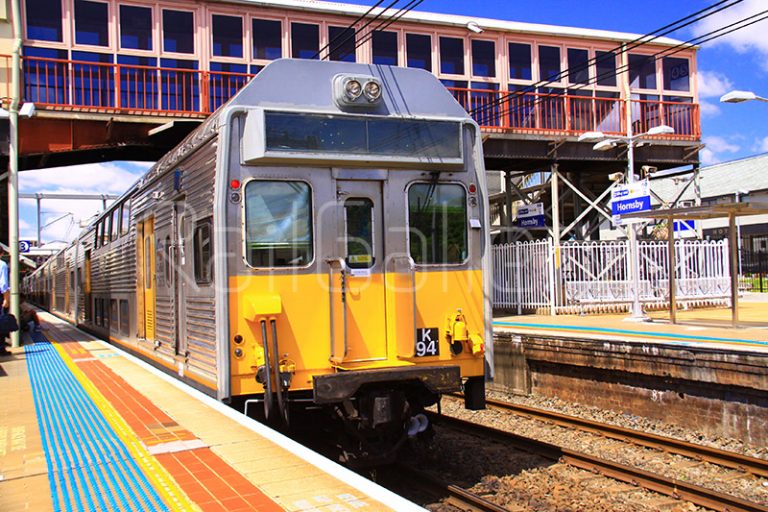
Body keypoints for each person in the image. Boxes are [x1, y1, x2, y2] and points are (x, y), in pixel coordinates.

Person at [0, 246, 10, 356]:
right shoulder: (2, 264)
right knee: (2, 322)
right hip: (0, 296)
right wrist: (6, 300)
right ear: (2, 253)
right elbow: (3, 285)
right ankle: (1, 348)